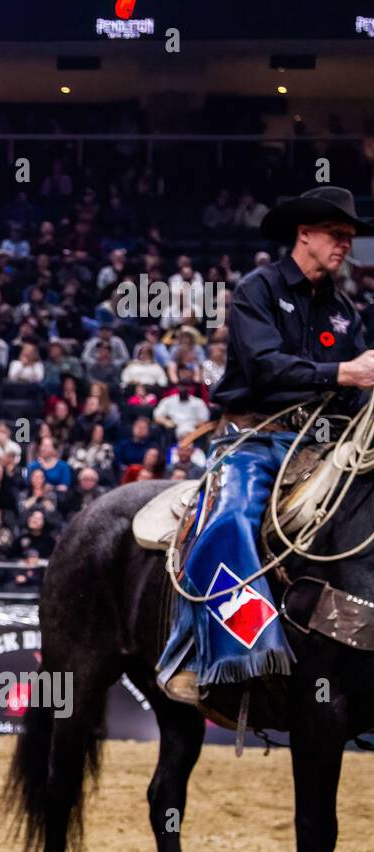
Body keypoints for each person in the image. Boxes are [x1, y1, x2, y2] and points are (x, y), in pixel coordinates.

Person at [158, 187, 374, 705]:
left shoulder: (345, 309)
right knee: (229, 521)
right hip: (254, 437)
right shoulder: (257, 289)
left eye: (350, 238)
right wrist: (343, 371)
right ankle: (222, 655)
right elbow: (263, 366)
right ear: (305, 234)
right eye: (336, 235)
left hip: (322, 442)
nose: (346, 245)